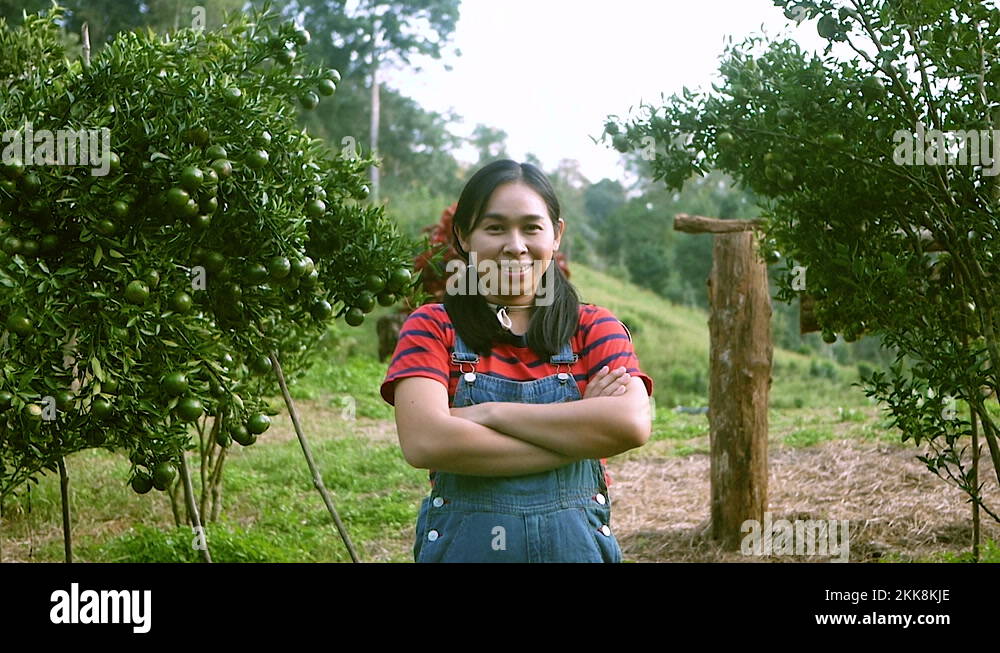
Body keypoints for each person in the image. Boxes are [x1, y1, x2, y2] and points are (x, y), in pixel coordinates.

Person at [380, 159, 654, 563]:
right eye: (495, 228)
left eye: (531, 228)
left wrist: (487, 413)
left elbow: (630, 424)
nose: (515, 245)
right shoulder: (432, 327)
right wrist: (579, 436)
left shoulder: (595, 328)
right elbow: (426, 442)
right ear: (464, 236)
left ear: (556, 235)